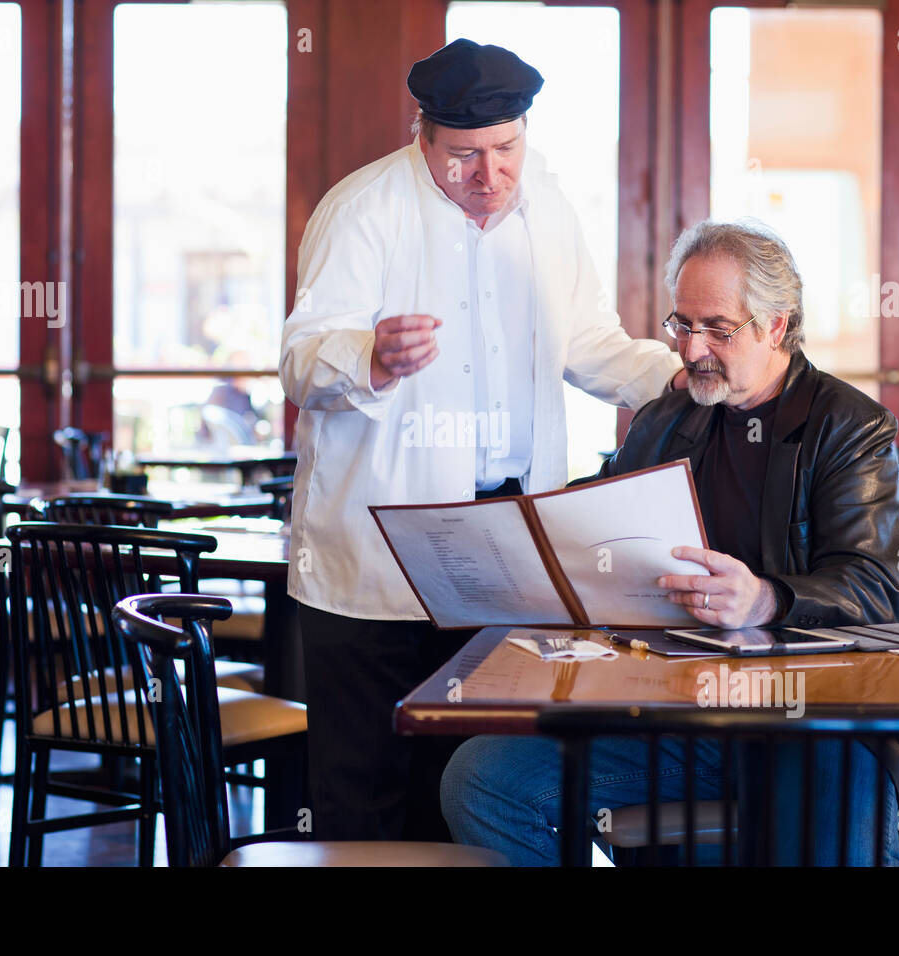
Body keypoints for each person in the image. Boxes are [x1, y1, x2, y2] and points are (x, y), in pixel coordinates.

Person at [279, 39, 683, 841]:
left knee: (470, 779)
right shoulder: (363, 210)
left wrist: (679, 377)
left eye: (506, 149)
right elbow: (299, 361)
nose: (490, 176)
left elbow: (589, 342)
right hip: (379, 547)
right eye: (464, 155)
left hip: (502, 545)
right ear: (422, 134)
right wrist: (369, 356)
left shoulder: (549, 207)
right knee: (365, 790)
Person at [441, 219, 899, 865]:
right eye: (681, 324)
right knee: (483, 779)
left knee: (828, 841)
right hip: (679, 712)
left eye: (717, 329)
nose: (692, 349)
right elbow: (593, 511)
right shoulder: (667, 418)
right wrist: (509, 536)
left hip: (816, 716)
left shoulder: (847, 425)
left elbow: (871, 584)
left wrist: (764, 599)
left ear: (775, 326)